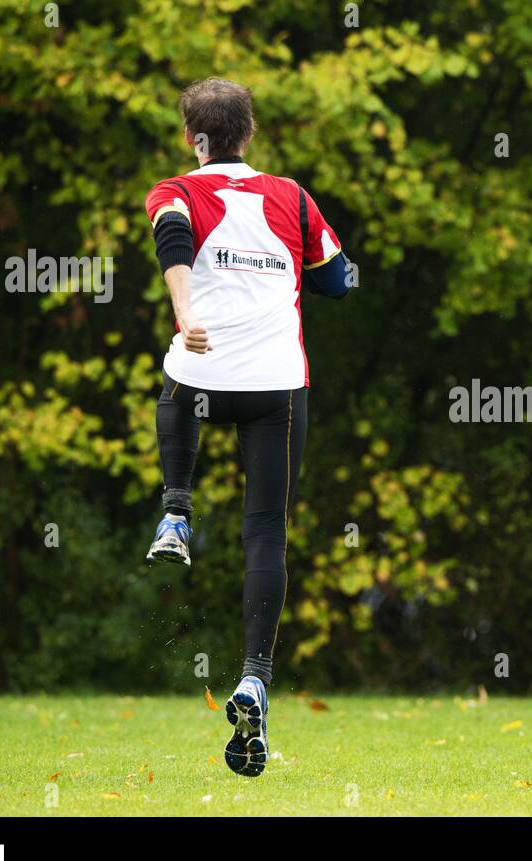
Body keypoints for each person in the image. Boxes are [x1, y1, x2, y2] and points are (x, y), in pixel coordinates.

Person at [143, 78, 351, 777]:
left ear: (189, 136)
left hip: (200, 379)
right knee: (266, 530)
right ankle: (255, 674)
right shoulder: (291, 197)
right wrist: (326, 272)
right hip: (277, 389)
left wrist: (187, 312)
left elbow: (171, 238)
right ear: (250, 134)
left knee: (175, 375)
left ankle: (176, 510)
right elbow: (337, 279)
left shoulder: (175, 189)